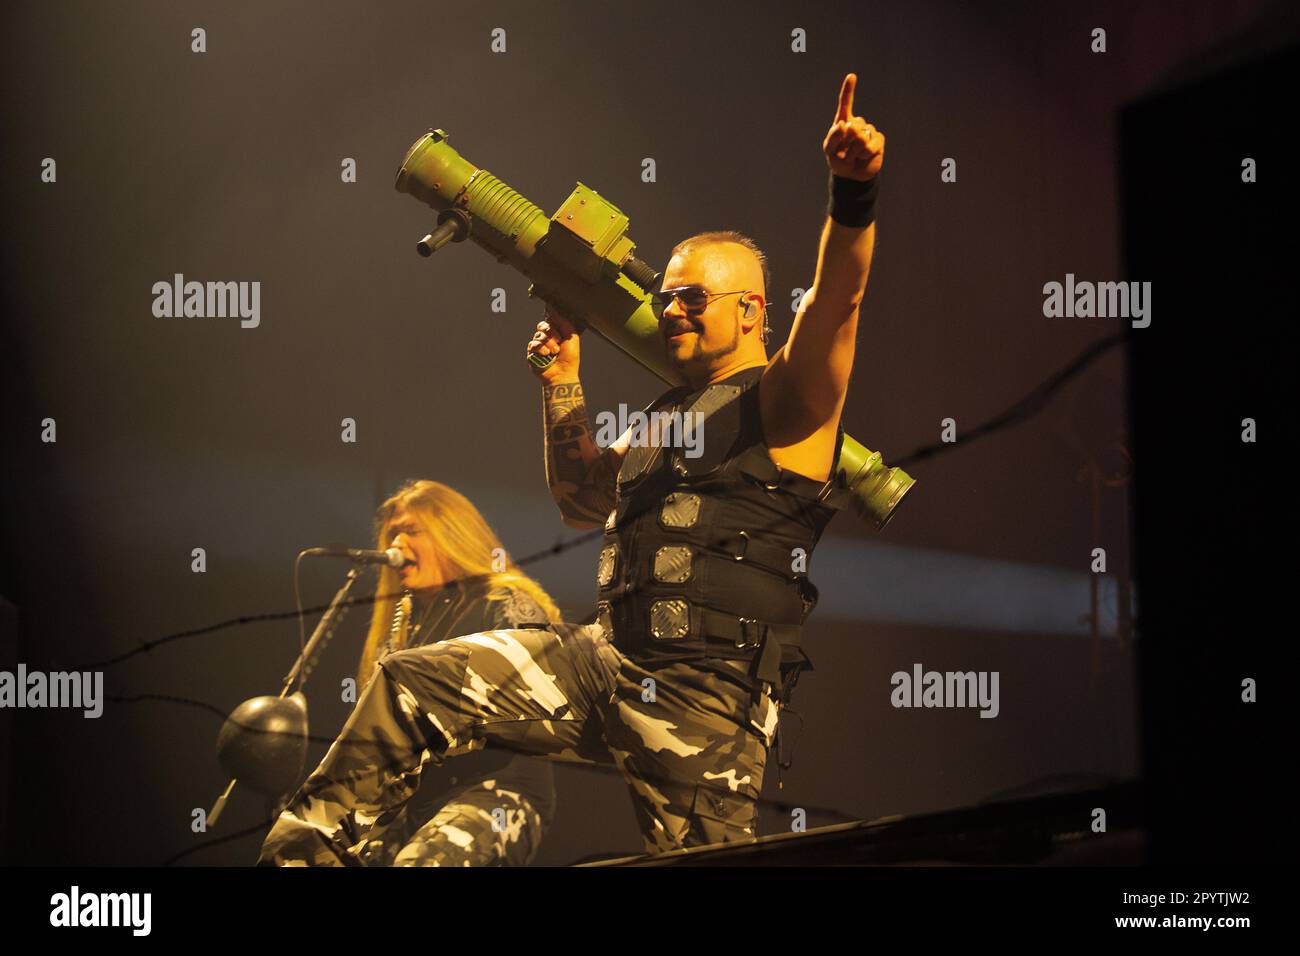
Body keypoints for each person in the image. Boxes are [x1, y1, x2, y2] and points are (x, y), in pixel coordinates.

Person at [258, 72, 884, 863]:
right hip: (602, 660)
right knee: (409, 684)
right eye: (669, 295)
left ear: (751, 312)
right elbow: (583, 500)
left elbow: (839, 300)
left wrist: (852, 191)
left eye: (694, 297)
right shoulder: (667, 413)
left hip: (702, 696)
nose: (671, 309)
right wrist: (562, 386)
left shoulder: (789, 402)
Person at [261, 479, 563, 866]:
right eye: (393, 533)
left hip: (494, 791)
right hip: (414, 805)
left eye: (412, 530)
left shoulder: (503, 603)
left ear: (452, 535)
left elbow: (527, 711)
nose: (397, 544)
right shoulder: (404, 625)